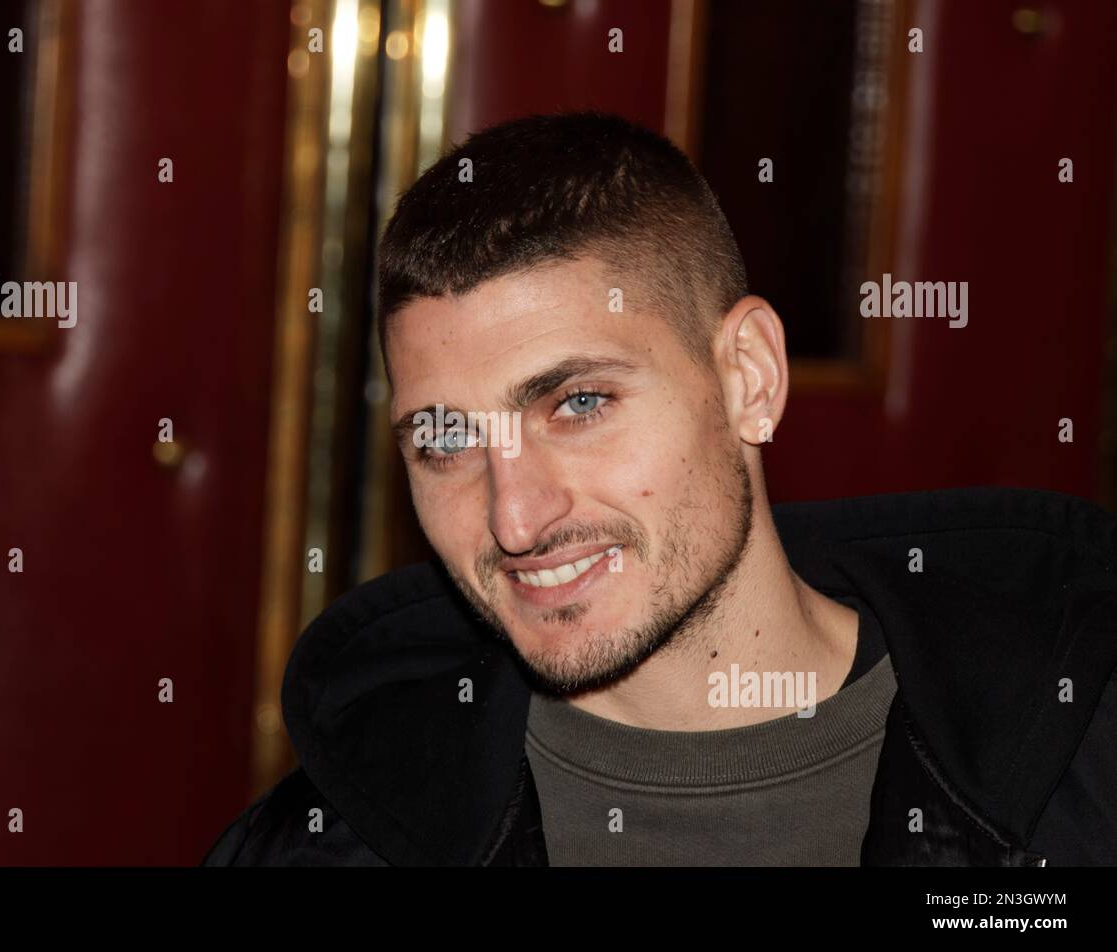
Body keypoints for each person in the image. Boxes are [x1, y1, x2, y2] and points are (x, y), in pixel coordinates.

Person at [205, 111, 1117, 866]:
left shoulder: (1079, 773)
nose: (514, 518)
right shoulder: (322, 846)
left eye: (579, 402)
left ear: (748, 378)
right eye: (445, 437)